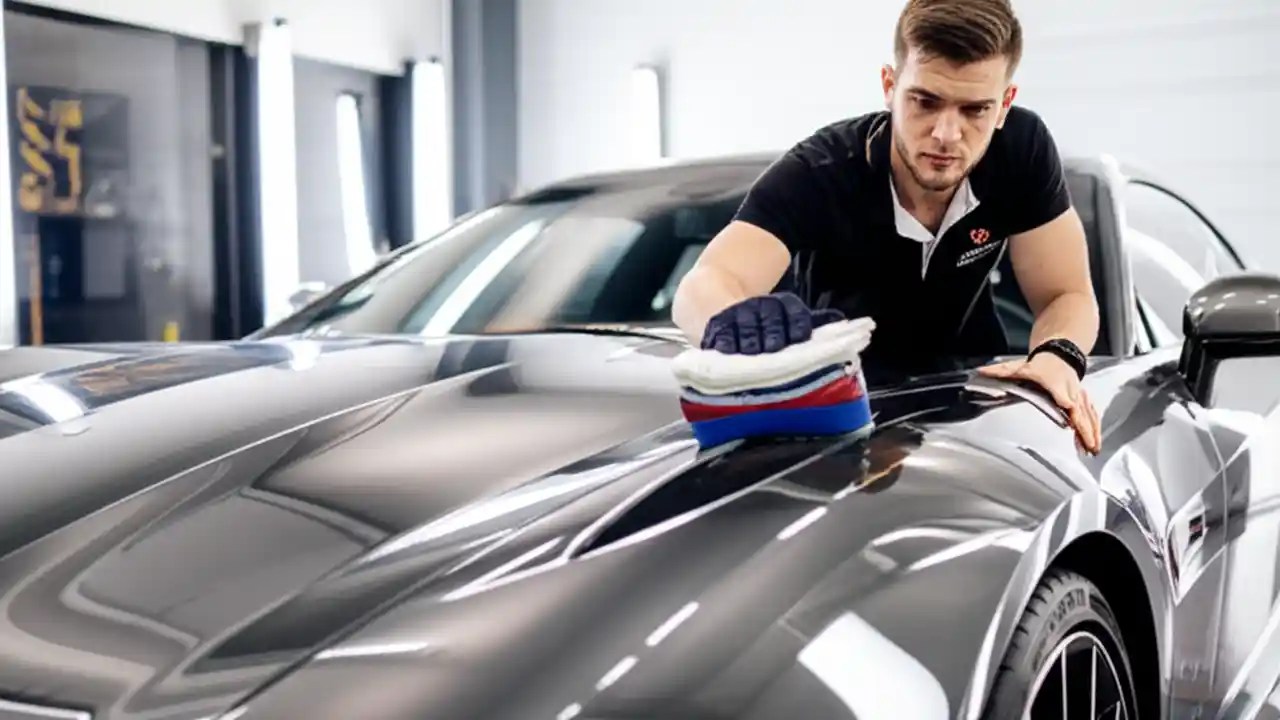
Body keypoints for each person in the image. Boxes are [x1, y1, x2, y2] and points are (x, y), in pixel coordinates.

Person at [671, 0, 1102, 455]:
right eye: (925, 101)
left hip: (979, 412)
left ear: (1003, 106)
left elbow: (1066, 293)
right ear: (889, 86)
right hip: (837, 422)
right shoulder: (823, 170)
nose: (946, 134)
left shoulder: (1022, 150)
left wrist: (1058, 357)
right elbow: (706, 283)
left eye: (975, 110)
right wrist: (729, 328)